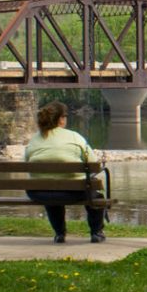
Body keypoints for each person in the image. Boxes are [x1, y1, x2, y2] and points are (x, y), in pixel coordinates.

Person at [25, 101, 106, 244]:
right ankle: (96, 232)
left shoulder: (34, 139)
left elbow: (25, 163)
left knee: (52, 193)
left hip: (39, 192)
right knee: (95, 194)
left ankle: (59, 234)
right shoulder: (74, 137)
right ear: (61, 119)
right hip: (74, 192)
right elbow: (93, 164)